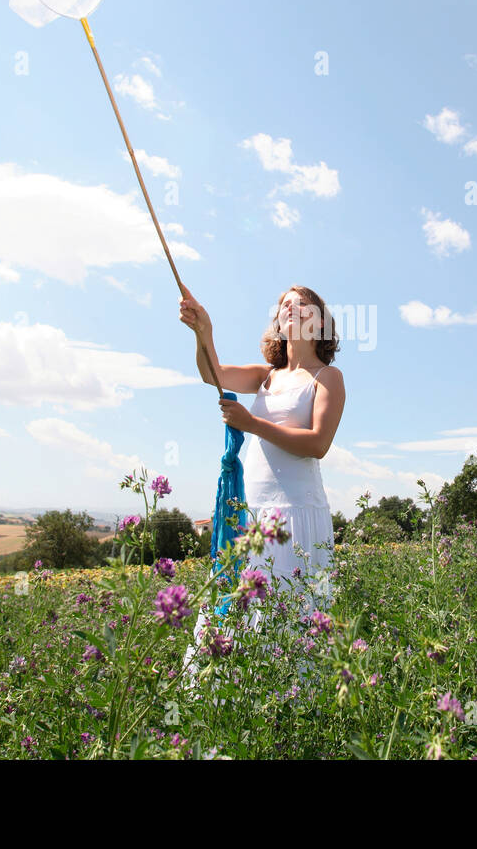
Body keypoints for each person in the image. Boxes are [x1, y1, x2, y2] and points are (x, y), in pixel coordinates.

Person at [177, 282, 345, 673]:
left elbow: (317, 443)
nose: (291, 308)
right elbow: (211, 373)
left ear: (320, 323)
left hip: (296, 517)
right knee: (238, 605)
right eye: (285, 304)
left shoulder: (328, 377)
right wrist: (204, 332)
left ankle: (289, 711)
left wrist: (251, 422)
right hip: (250, 513)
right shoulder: (265, 376)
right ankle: (225, 708)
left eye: (303, 305)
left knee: (291, 612)